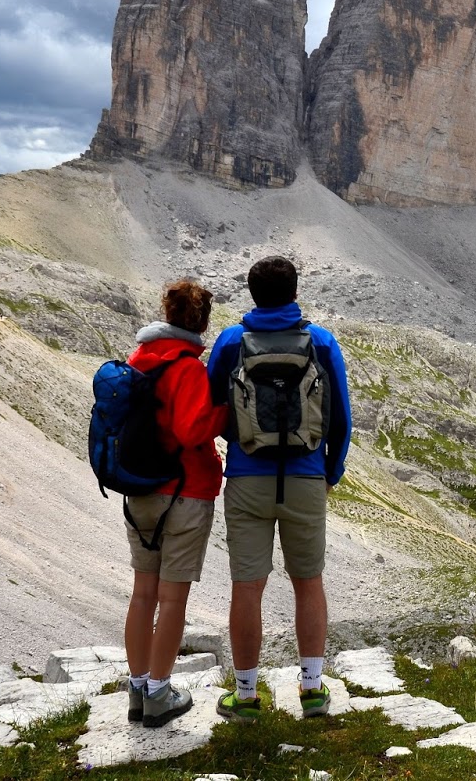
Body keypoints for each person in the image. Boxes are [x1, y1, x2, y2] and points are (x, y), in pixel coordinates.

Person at [207, 255, 352, 721]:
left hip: (248, 475)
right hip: (306, 474)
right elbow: (340, 417)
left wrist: (237, 447)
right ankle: (312, 690)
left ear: (252, 293)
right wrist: (329, 471)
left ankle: (246, 696)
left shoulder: (232, 340)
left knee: (247, 586)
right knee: (308, 582)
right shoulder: (321, 341)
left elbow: (214, 407)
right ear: (294, 291)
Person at [122, 279, 226, 728]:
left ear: (166, 314)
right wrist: (222, 411)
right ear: (201, 323)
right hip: (183, 494)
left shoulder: (139, 360)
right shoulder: (187, 368)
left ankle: (138, 687)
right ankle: (160, 694)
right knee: (173, 598)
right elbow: (190, 431)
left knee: (142, 593)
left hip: (139, 491)